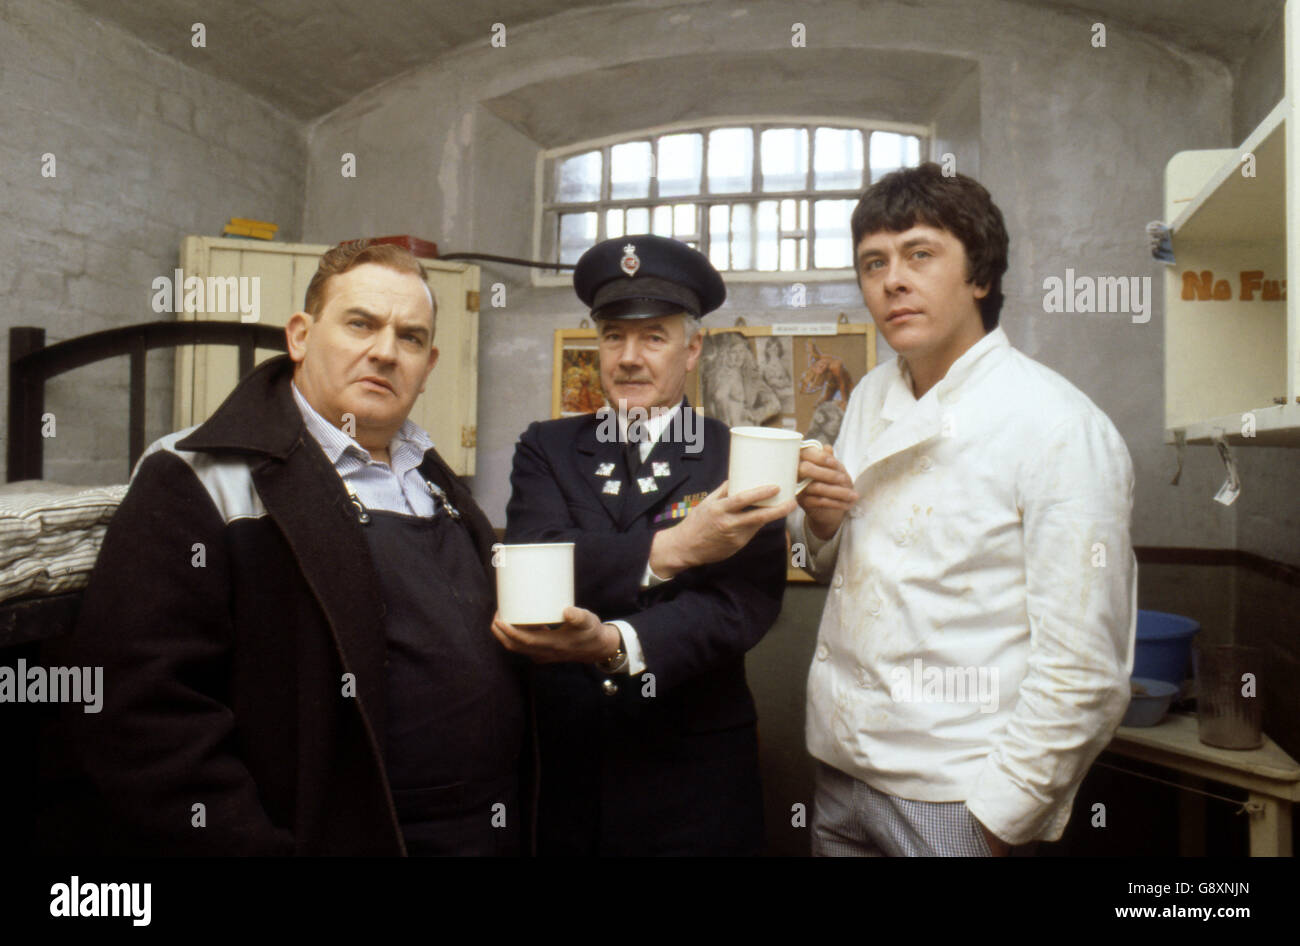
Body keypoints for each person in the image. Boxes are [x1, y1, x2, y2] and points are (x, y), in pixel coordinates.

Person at [39, 240, 526, 856]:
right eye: (360, 324)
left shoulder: (432, 476)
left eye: (409, 337)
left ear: (428, 365)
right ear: (300, 336)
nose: (384, 351)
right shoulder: (196, 475)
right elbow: (142, 718)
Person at [792, 163, 1136, 857]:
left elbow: (1085, 669)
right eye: (873, 263)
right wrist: (820, 526)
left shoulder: (1057, 424)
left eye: (920, 253)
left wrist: (996, 824)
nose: (892, 280)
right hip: (840, 769)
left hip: (956, 795)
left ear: (979, 275)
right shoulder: (865, 400)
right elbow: (837, 559)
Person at [493, 235, 793, 855]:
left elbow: (741, 602)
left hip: (695, 776)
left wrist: (616, 643)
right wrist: (674, 550)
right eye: (613, 337)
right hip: (569, 767)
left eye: (653, 336)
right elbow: (542, 565)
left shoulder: (737, 453)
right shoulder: (546, 448)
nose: (629, 358)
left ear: (692, 349)